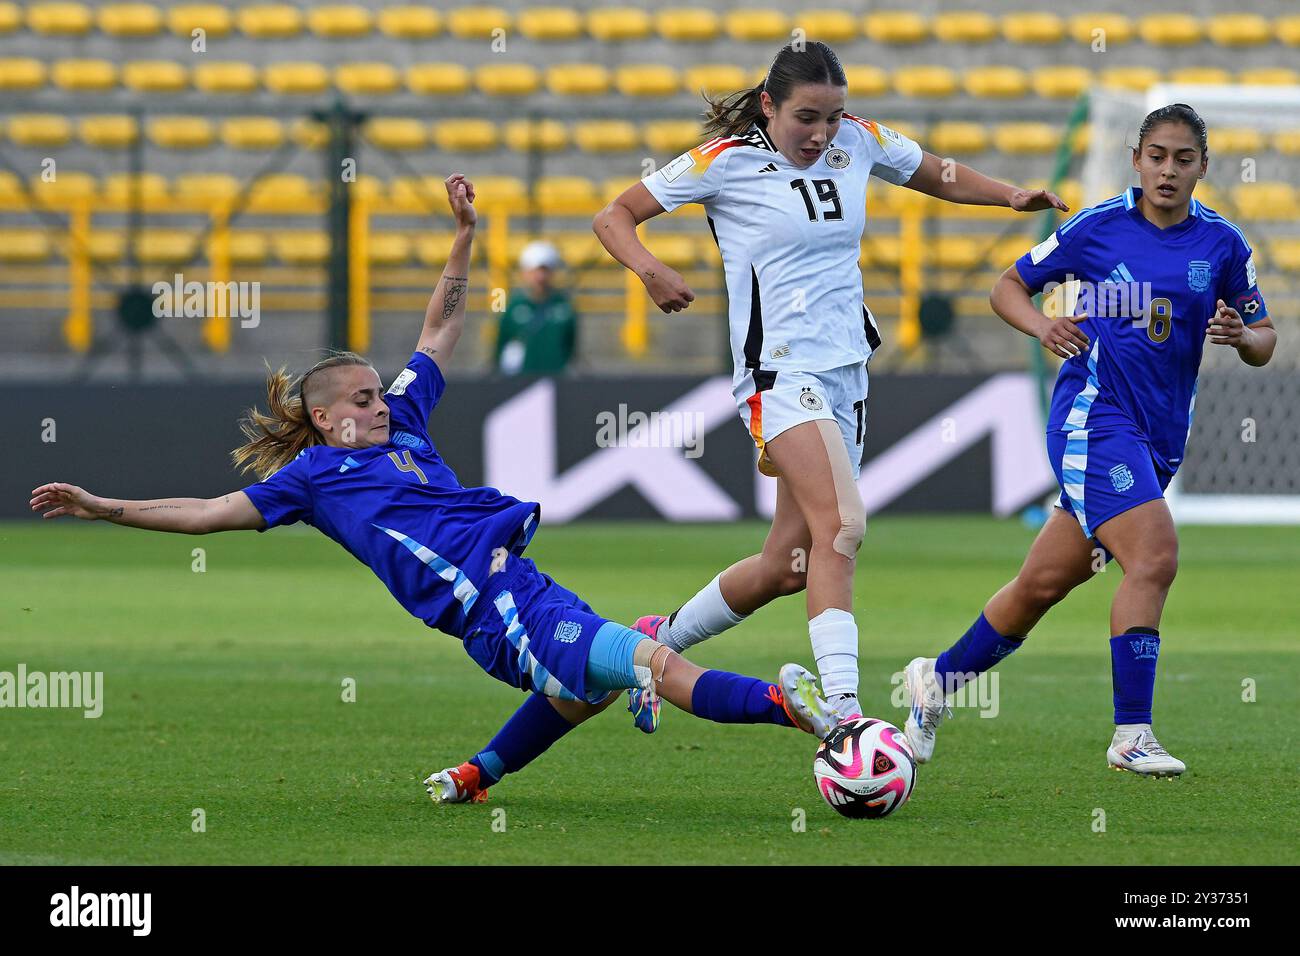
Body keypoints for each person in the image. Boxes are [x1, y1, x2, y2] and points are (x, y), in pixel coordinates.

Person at [28, 175, 839, 805]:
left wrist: (463, 238)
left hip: (520, 584)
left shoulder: (405, 423)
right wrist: (103, 506)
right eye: (362, 399)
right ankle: (794, 708)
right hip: (492, 610)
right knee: (645, 663)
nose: (380, 403)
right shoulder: (310, 479)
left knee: (583, 689)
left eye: (379, 393)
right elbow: (205, 513)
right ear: (322, 416)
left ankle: (476, 772)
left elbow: (440, 329)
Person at [592, 40, 1066, 728]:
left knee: (789, 561)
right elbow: (614, 215)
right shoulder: (724, 164)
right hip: (779, 371)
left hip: (845, 369)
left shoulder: (859, 141)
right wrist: (649, 269)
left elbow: (938, 173)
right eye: (806, 117)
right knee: (841, 527)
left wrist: (1010, 196)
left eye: (833, 116)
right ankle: (844, 711)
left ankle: (651, 648)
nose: (821, 133)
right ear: (768, 107)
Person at [901, 104, 1276, 777]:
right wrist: (1042, 329)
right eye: (1157, 155)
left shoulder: (1222, 245)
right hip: (1093, 421)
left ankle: (936, 682)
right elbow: (1008, 285)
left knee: (1040, 585)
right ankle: (1132, 735)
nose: (1168, 170)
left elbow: (1264, 337)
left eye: (1182, 159)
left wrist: (1245, 338)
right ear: (1137, 159)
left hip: (1158, 439)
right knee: (1155, 556)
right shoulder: (1097, 227)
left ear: (1202, 168)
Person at [494, 241, 579, 375]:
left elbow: (570, 345)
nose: (540, 277)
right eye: (535, 271)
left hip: (556, 381)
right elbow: (500, 343)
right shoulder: (512, 306)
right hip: (520, 382)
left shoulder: (564, 306)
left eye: (545, 271)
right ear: (525, 272)